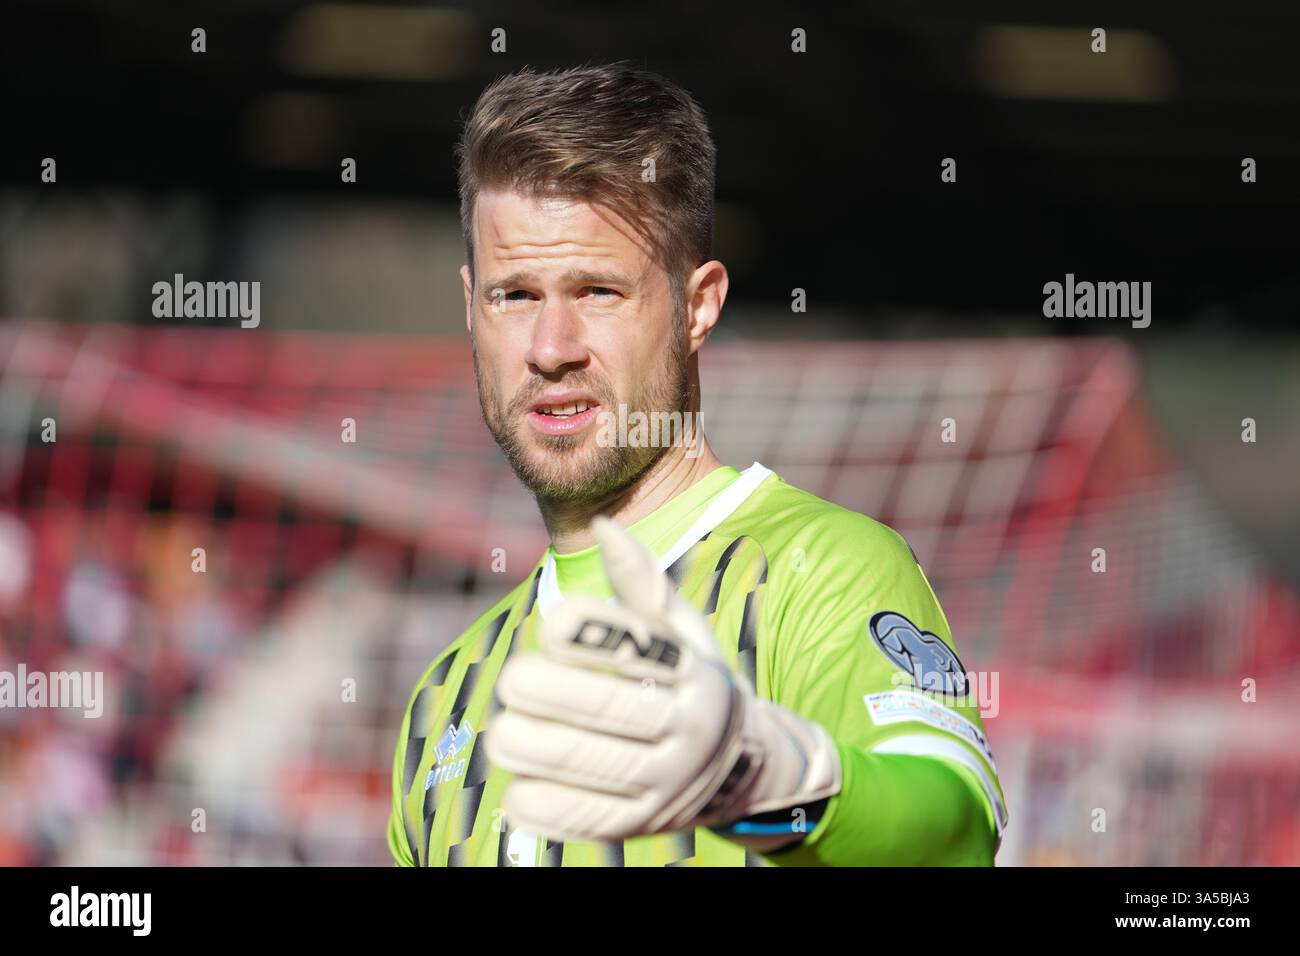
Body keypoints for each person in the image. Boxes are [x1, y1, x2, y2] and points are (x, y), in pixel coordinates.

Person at [388, 62, 1006, 866]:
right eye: (515, 297)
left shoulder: (823, 571)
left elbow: (952, 824)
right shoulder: (446, 696)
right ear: (472, 305)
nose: (550, 349)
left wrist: (771, 784)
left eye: (599, 292)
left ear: (699, 304)